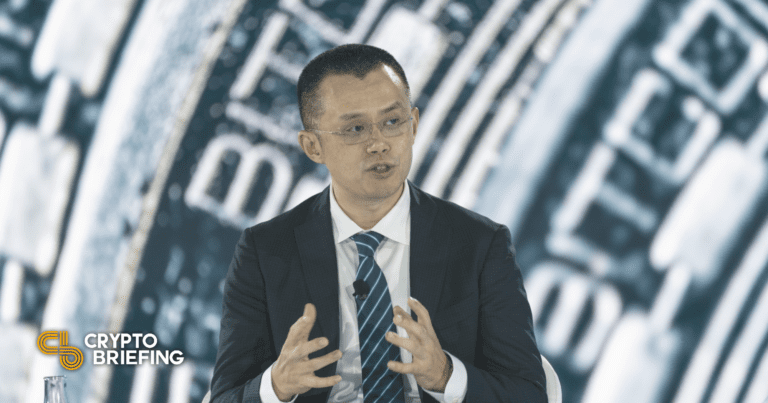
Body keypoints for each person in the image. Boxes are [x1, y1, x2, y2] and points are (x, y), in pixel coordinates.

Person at [210, 44, 546, 403]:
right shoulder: (264, 252)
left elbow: (528, 394)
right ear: (313, 146)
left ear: (413, 125)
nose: (378, 144)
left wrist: (446, 375)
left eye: (392, 122)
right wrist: (276, 386)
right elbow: (226, 396)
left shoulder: (481, 244)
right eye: (355, 129)